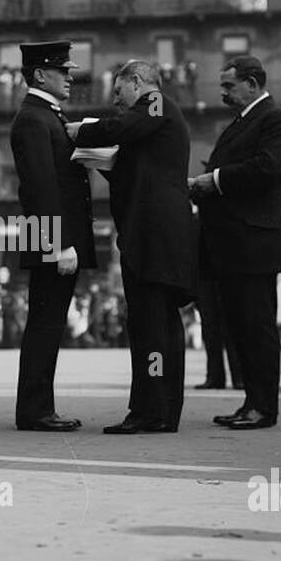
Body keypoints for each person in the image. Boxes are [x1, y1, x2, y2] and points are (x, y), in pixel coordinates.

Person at [68, 60, 193, 432]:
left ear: (137, 83)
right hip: (158, 235)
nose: (116, 100)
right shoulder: (156, 121)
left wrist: (82, 131)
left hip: (154, 236)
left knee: (149, 325)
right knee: (160, 324)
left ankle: (150, 410)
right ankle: (163, 408)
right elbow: (137, 161)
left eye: (119, 91)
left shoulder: (155, 104)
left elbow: (126, 125)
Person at [190, 55, 281, 430]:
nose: (223, 93)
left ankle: (263, 407)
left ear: (252, 84)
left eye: (228, 86)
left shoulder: (277, 119)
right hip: (235, 243)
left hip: (254, 242)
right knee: (241, 326)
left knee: (256, 326)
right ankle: (252, 401)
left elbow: (269, 168)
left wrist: (213, 181)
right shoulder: (242, 122)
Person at [10, 41, 96, 431]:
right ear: (41, 74)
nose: (70, 78)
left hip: (51, 239)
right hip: (51, 241)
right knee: (45, 324)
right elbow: (41, 188)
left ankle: (38, 406)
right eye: (63, 72)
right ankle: (34, 410)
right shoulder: (34, 119)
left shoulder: (47, 116)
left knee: (49, 323)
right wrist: (59, 243)